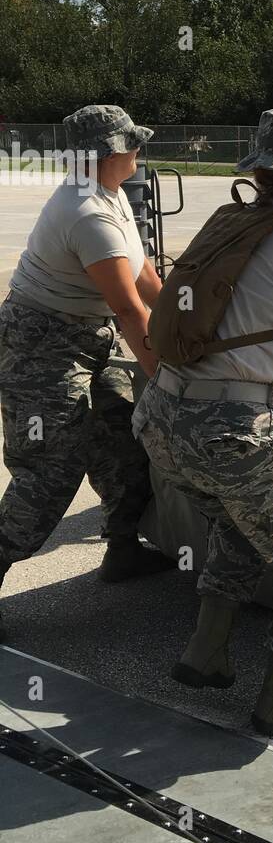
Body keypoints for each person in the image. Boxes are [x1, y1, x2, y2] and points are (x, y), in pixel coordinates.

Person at [132, 110, 273, 735]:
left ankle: (205, 653)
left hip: (160, 419)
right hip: (235, 431)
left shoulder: (225, 224)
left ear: (259, 173)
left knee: (239, 518)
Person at [0, 105, 174, 642]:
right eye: (132, 145)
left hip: (84, 337)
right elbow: (128, 308)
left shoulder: (110, 192)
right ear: (108, 153)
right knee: (50, 470)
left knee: (125, 436)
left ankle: (123, 549)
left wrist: (180, 325)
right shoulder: (86, 211)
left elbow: (143, 272)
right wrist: (170, 375)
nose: (139, 152)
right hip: (40, 347)